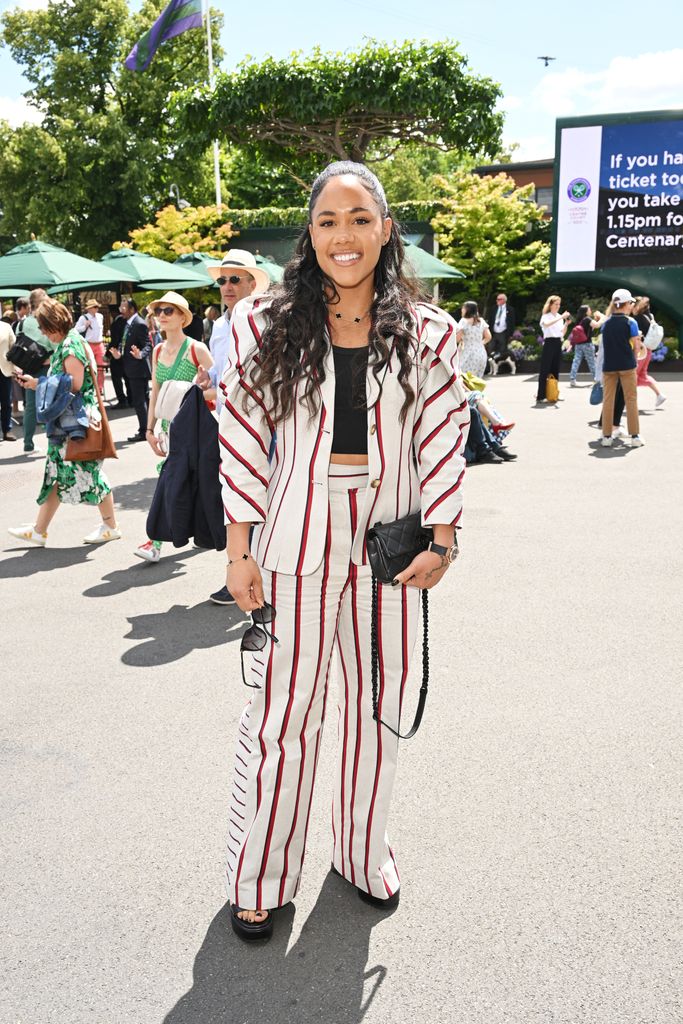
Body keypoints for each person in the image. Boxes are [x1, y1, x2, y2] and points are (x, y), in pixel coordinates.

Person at [218, 160, 470, 942]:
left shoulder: (430, 334)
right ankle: (260, 873)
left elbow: (442, 438)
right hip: (294, 530)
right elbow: (243, 441)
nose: (344, 235)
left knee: (378, 708)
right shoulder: (262, 324)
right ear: (310, 234)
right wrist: (238, 550)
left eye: (360, 218)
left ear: (385, 230)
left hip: (390, 540)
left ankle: (362, 854)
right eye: (328, 220)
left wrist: (445, 535)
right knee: (283, 714)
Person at [7, 298, 120, 546]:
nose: (45, 334)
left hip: (75, 423)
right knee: (57, 473)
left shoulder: (70, 345)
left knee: (88, 472)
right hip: (69, 422)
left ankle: (110, 525)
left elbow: (75, 384)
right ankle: (39, 530)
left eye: (46, 328)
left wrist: (40, 384)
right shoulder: (67, 343)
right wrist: (37, 383)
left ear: (56, 324)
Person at [196, 251, 271, 606]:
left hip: (262, 424)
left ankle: (256, 572)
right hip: (226, 422)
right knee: (236, 497)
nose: (226, 286)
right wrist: (207, 378)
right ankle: (247, 570)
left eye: (234, 279)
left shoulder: (266, 320)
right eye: (222, 280)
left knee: (258, 497)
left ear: (252, 283)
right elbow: (219, 371)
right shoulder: (221, 325)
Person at [135, 292, 213, 563]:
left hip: (193, 430)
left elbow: (219, 389)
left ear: (183, 317)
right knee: (171, 480)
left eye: (169, 310)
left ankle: (164, 538)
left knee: (185, 482)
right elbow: (155, 391)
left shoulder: (196, 349)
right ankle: (156, 541)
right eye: (158, 311)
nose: (162, 315)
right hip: (170, 430)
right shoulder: (157, 350)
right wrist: (148, 430)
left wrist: (199, 392)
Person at [600, 289, 642, 448]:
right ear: (626, 304)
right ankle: (635, 437)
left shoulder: (606, 322)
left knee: (608, 400)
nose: (632, 305)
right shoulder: (631, 322)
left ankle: (606, 436)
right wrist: (635, 358)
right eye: (631, 303)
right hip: (627, 365)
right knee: (631, 399)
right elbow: (636, 345)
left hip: (609, 366)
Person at [109, 297, 151, 442]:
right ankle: (146, 429)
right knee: (142, 400)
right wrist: (119, 355)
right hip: (131, 367)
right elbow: (125, 343)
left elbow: (147, 345)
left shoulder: (139, 324)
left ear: (132, 309)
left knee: (140, 401)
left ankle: (144, 431)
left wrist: (141, 355)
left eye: (124, 308)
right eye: (120, 307)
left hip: (138, 369)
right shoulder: (128, 324)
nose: (121, 310)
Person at [16, 288, 52, 453]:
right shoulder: (45, 322)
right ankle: (53, 438)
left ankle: (28, 443)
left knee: (30, 406)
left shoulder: (22, 323)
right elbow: (54, 344)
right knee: (50, 403)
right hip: (46, 367)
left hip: (28, 368)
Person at [536, 295, 571, 404]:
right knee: (545, 369)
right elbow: (546, 325)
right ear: (550, 305)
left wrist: (566, 324)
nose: (558, 306)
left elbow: (561, 333)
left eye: (559, 304)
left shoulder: (559, 317)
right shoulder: (546, 316)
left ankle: (553, 393)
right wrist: (561, 318)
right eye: (556, 304)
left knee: (555, 369)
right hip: (549, 343)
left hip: (557, 342)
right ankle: (541, 396)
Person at [632, 296, 666, 409]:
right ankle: (659, 395)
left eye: (632, 304)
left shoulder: (637, 318)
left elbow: (637, 336)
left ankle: (631, 401)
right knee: (642, 374)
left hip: (640, 350)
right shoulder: (650, 316)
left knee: (633, 375)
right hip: (648, 349)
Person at [568, 305, 603, 386]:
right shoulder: (587, 319)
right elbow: (597, 325)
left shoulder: (579, 320)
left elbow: (590, 328)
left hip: (578, 344)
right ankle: (596, 379)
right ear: (586, 311)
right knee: (592, 362)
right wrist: (602, 318)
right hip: (587, 344)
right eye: (589, 309)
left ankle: (572, 379)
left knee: (576, 361)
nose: (590, 311)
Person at [75, 299, 106, 393]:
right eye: (95, 307)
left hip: (100, 344)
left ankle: (99, 388)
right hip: (89, 345)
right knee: (90, 368)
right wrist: (85, 326)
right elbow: (76, 330)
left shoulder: (100, 316)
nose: (97, 309)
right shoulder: (83, 318)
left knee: (101, 368)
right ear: (89, 309)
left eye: (97, 307)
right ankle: (91, 387)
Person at [456, 301, 491, 377]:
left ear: (467, 310)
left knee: (464, 380)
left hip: (467, 353)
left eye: (463, 308)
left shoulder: (463, 321)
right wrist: (479, 343)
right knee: (476, 381)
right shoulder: (481, 321)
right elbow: (488, 337)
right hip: (481, 353)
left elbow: (457, 339)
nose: (462, 309)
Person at [106, 303, 130, 408]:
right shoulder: (127, 322)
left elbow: (114, 341)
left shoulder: (116, 323)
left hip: (116, 354)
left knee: (116, 378)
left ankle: (122, 400)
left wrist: (107, 354)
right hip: (126, 354)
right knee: (127, 377)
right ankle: (131, 398)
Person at [0, 321, 17, 441]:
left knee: (6, 402)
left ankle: (7, 430)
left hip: (4, 369)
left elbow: (13, 347)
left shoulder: (6, 327)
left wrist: (16, 368)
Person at [487, 293, 516, 357]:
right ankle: (491, 363)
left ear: (504, 300)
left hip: (503, 332)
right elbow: (490, 320)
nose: (497, 301)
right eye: (496, 299)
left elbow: (512, 322)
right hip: (493, 332)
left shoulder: (510, 309)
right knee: (490, 348)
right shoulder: (493, 308)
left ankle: (499, 364)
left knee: (502, 350)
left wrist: (511, 334)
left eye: (499, 299)